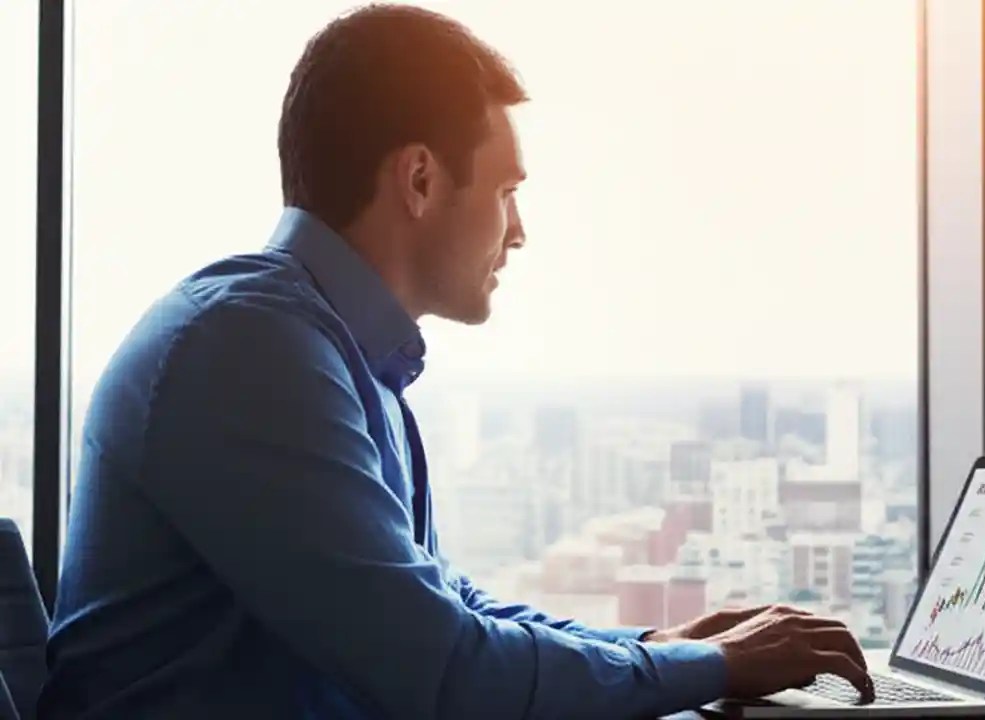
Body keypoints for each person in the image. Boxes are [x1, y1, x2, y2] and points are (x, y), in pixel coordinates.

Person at [38, 4, 874, 718]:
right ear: (419, 180)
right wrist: (717, 667)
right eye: (507, 191)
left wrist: (657, 644)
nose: (519, 231)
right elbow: (441, 668)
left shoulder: (329, 351)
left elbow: (440, 605)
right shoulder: (249, 352)